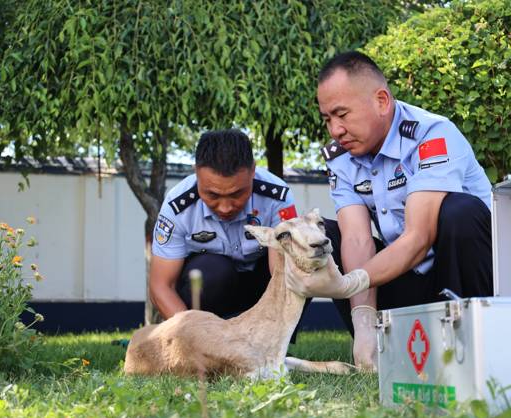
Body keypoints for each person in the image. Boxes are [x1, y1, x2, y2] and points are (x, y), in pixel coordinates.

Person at [314, 51, 493, 370]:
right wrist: (364, 320)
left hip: (456, 276)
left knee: (459, 210)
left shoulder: (431, 134)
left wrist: (348, 283)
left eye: (342, 114)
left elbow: (419, 237)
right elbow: (356, 238)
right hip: (406, 277)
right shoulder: (340, 157)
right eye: (327, 118)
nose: (335, 130)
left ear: (382, 101)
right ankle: (377, 344)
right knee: (325, 236)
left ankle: (477, 340)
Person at [150, 129, 301, 324]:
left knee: (304, 256)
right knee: (212, 272)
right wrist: (192, 336)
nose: (226, 207)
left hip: (260, 291)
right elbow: (161, 286)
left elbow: (281, 277)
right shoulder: (177, 207)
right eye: (212, 195)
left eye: (237, 194)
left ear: (253, 171)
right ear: (196, 173)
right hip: (209, 296)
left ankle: (272, 343)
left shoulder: (277, 197)